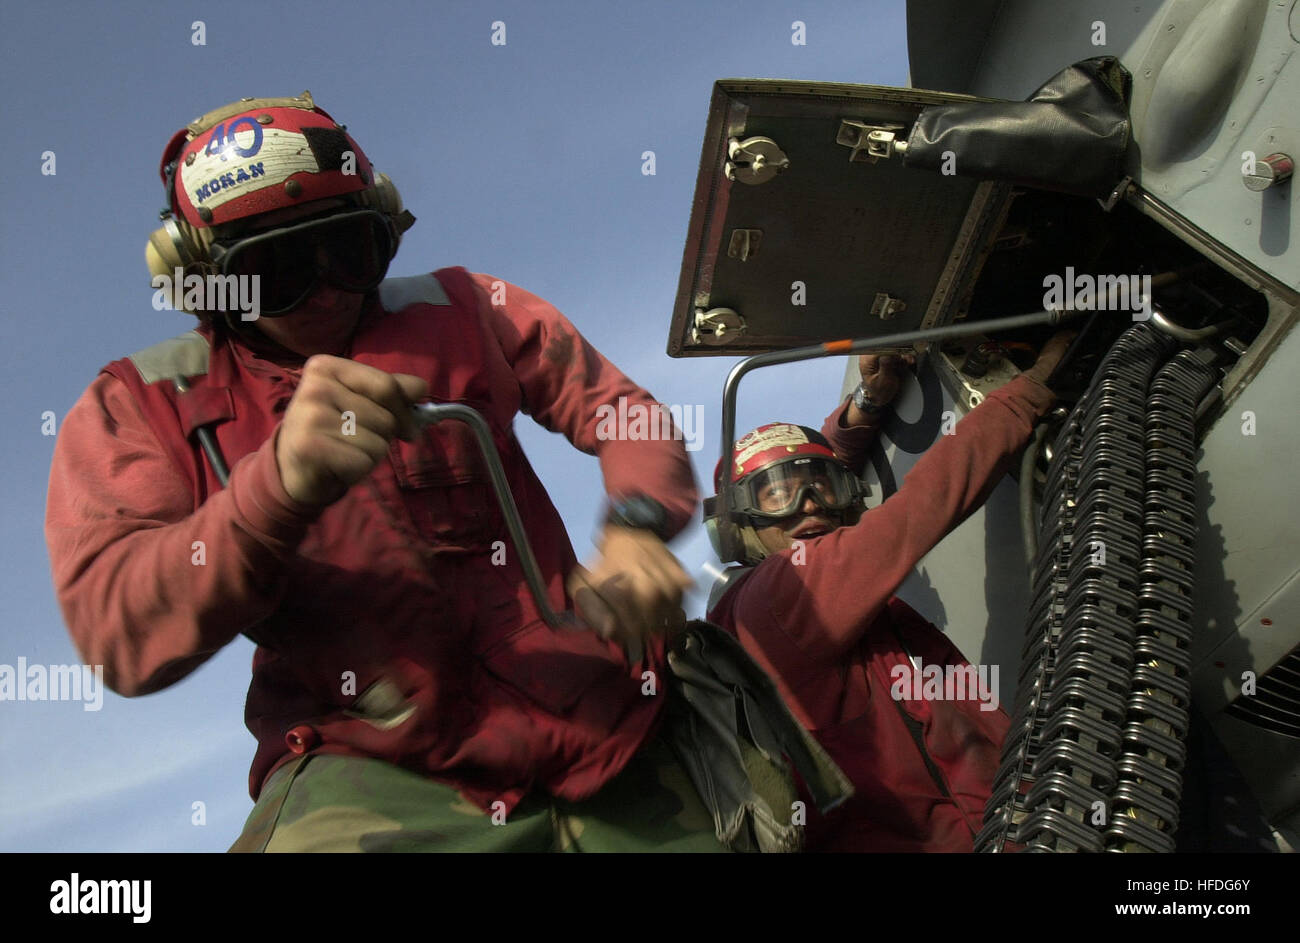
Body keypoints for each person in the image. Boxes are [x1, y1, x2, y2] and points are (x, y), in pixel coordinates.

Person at [44, 91, 726, 852]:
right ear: (203, 279)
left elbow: (619, 411)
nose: (328, 291)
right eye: (275, 270)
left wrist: (637, 527)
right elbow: (117, 634)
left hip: (606, 730)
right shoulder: (139, 405)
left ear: (386, 230)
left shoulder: (465, 308)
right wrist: (274, 491)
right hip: (370, 770)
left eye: (349, 250)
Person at [705, 338, 1072, 851]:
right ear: (739, 525)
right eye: (778, 494)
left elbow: (829, 490)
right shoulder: (784, 591)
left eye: (821, 486)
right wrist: (1028, 392)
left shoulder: (769, 603)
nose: (809, 506)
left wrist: (868, 404)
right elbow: (921, 506)